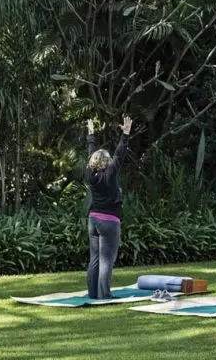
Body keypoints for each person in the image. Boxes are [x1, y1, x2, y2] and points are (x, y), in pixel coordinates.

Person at [85, 114, 132, 299]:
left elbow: (91, 153)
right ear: (106, 162)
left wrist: (91, 135)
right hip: (109, 222)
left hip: (93, 220)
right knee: (106, 260)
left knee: (95, 259)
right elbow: (120, 154)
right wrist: (125, 135)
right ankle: (104, 295)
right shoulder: (110, 173)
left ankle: (93, 294)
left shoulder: (90, 174)